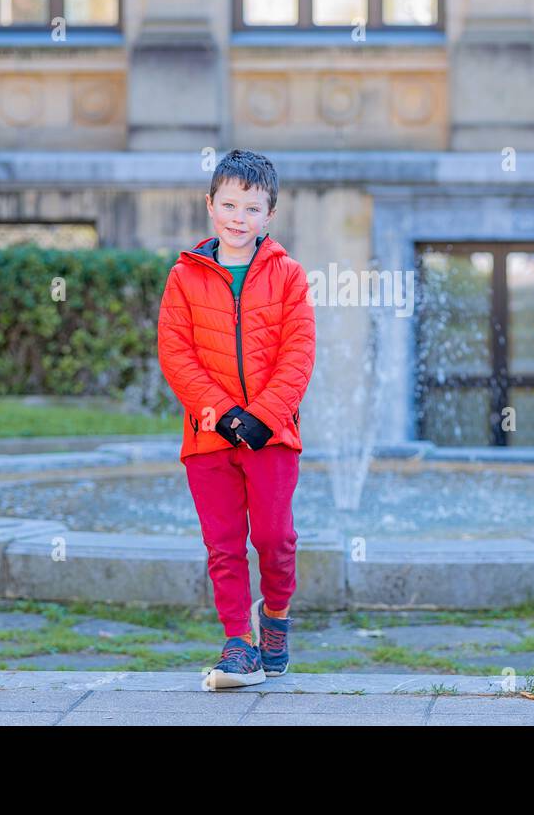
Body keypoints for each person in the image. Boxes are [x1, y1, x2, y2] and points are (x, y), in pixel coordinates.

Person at [156, 149, 316, 690]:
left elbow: (299, 353)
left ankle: (274, 618)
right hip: (208, 437)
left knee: (275, 537)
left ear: (269, 214)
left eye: (251, 208)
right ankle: (237, 644)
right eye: (229, 205)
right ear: (209, 205)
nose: (238, 218)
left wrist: (263, 418)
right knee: (223, 543)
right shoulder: (184, 276)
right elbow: (175, 354)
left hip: (272, 436)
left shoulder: (289, 275)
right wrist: (222, 416)